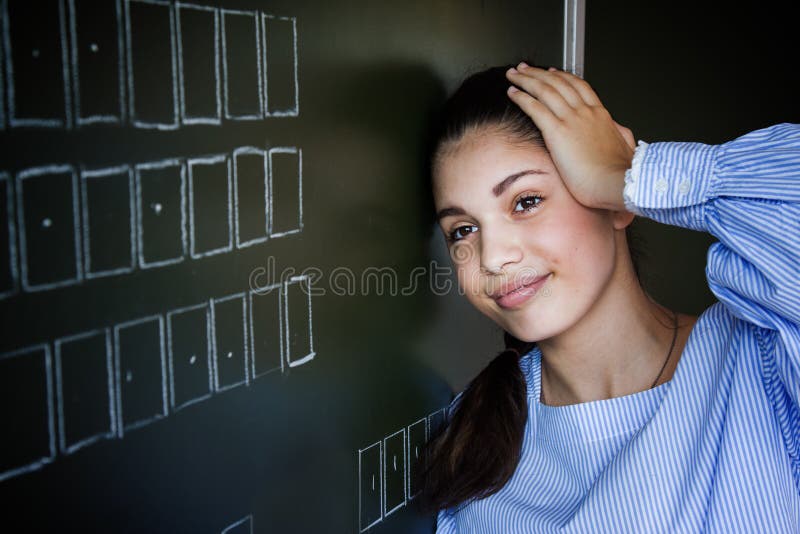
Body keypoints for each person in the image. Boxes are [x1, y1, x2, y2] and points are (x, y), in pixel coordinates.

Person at [415, 62, 800, 532]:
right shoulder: (472, 446)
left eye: (526, 201)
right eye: (464, 230)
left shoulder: (764, 362)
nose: (493, 257)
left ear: (615, 203)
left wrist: (629, 175)